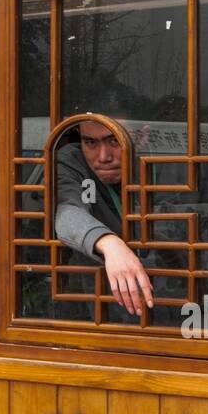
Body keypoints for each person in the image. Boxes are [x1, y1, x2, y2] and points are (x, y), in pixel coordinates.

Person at [54, 118, 153, 317]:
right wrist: (109, 243)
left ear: (142, 137)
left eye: (114, 141)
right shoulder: (72, 160)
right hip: (98, 293)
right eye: (90, 142)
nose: (103, 157)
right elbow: (68, 211)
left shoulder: (159, 164)